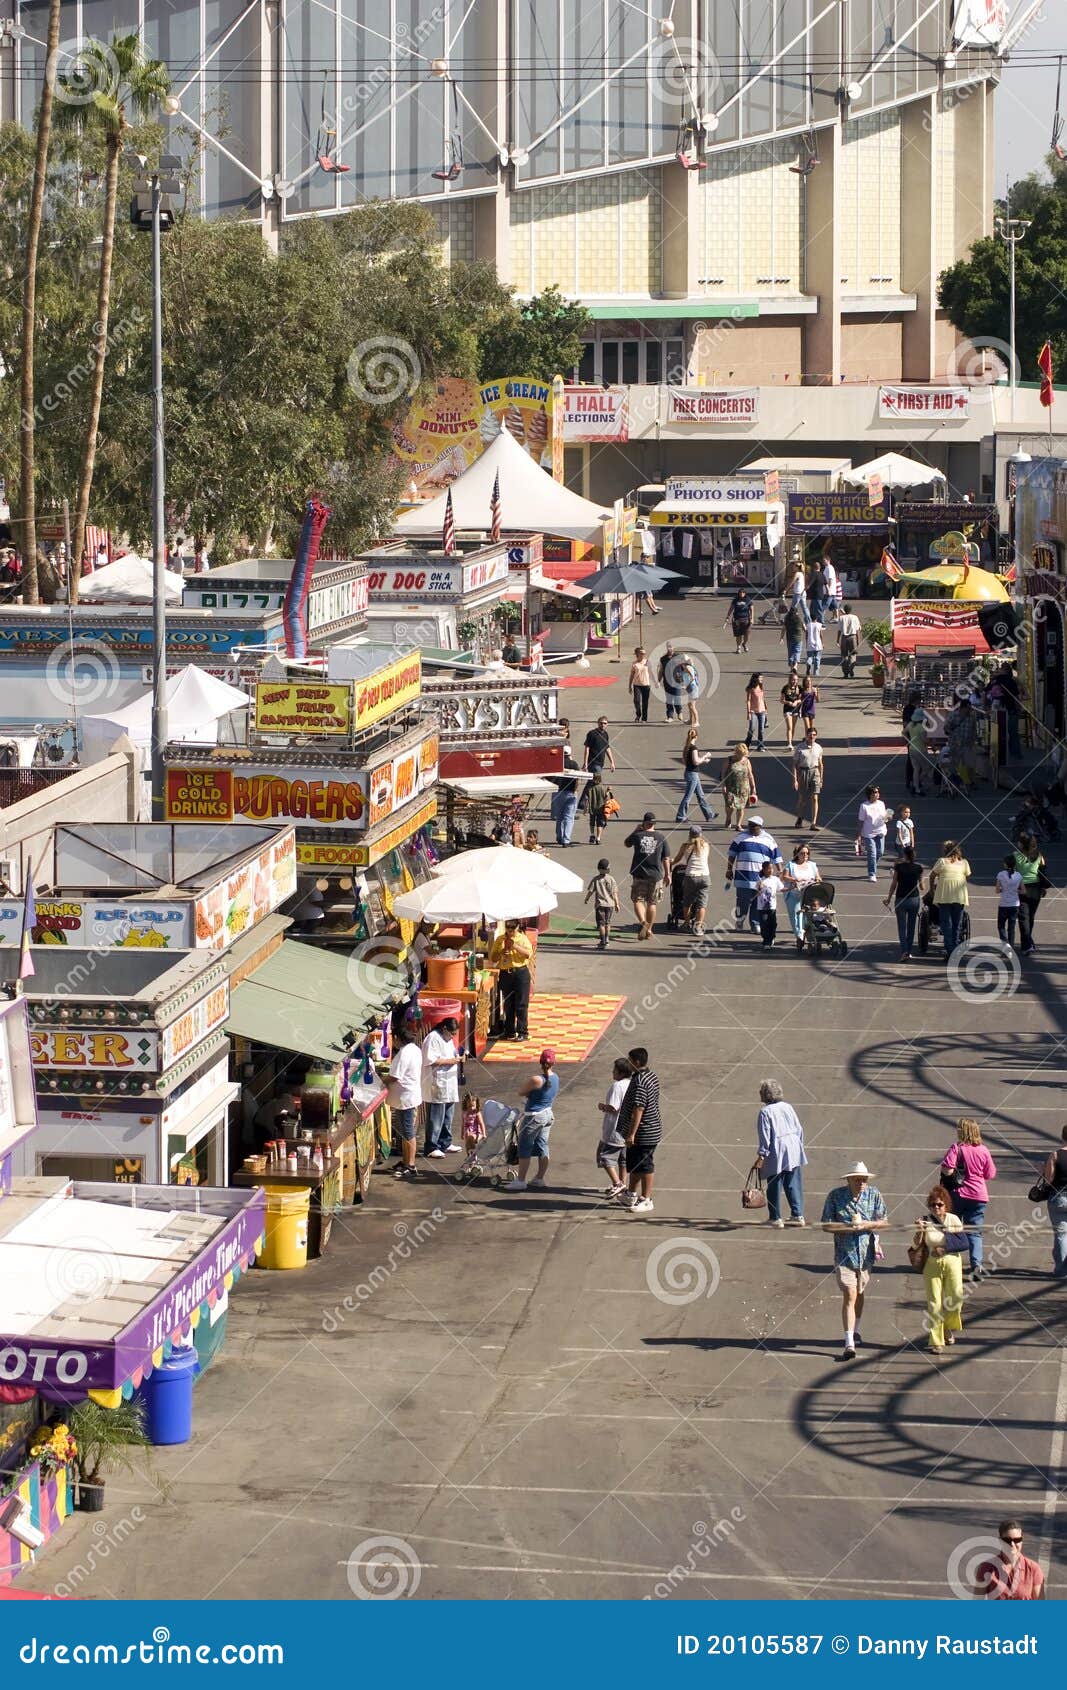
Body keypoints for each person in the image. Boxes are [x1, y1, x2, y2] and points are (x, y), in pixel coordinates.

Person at [820, 1160, 888, 1361]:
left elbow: (884, 1222)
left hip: (866, 1255)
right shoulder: (835, 1196)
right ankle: (849, 1342)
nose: (861, 1183)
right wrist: (846, 1228)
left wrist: (868, 1224)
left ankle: (855, 1329)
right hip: (844, 1255)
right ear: (849, 1180)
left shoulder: (874, 1194)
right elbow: (826, 1224)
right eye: (858, 1180)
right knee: (850, 1294)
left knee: (859, 1293)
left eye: (864, 1180)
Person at [940, 1116, 997, 1278]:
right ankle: (976, 1265)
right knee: (975, 1231)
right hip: (979, 1195)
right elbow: (990, 1173)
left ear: (961, 1132)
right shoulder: (984, 1150)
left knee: (952, 1228)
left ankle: (951, 1262)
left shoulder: (957, 1148)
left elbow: (947, 1169)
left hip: (958, 1194)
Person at [912, 1186, 965, 1355]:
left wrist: (944, 1248)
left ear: (946, 1205)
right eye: (933, 1205)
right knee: (934, 1304)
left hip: (952, 1263)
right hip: (932, 1265)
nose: (936, 1208)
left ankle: (948, 1327)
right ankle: (937, 1341)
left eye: (940, 1205)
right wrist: (920, 1231)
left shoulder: (953, 1219)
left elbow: (964, 1243)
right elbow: (915, 1245)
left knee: (956, 1299)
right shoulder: (925, 1220)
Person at [504, 1049, 560, 1192]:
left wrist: (531, 1094)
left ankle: (521, 1180)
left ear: (540, 1062)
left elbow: (521, 1092)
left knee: (524, 1147)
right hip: (547, 1114)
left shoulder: (536, 1079)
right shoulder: (556, 1078)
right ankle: (539, 1178)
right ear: (554, 1062)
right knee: (543, 1146)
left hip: (534, 1117)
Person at [755, 1079, 807, 1226]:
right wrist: (799, 1145)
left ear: (766, 1094)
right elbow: (799, 1128)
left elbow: (765, 1136)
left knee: (774, 1183)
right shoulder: (788, 1107)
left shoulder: (765, 1112)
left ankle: (775, 1217)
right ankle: (797, 1215)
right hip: (793, 1145)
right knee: (793, 1182)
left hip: (777, 1149)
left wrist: (762, 1154)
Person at [616, 1047, 661, 1213]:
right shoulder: (651, 1075)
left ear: (636, 1062)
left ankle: (646, 1199)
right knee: (634, 1164)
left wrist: (632, 1133)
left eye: (629, 1060)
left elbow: (639, 1108)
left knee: (645, 1165)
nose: (627, 1063)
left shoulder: (641, 1080)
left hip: (644, 1132)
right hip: (649, 1129)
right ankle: (631, 1194)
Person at [726, 816, 782, 934]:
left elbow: (777, 857)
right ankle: (740, 920)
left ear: (759, 827)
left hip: (761, 879)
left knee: (758, 903)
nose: (750, 827)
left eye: (753, 826)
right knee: (742, 901)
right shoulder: (740, 837)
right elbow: (732, 855)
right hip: (743, 876)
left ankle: (755, 924)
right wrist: (729, 869)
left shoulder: (769, 839)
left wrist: (780, 871)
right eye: (749, 825)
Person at [624, 812, 671, 940]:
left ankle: (643, 922)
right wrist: (668, 874)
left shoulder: (638, 836)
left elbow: (626, 843)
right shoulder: (661, 837)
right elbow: (666, 858)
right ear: (654, 823)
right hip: (656, 875)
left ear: (644, 823)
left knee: (638, 900)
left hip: (639, 874)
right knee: (652, 902)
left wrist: (635, 830)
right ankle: (649, 928)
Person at [421, 1016, 463, 1158]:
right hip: (437, 1082)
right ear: (445, 1029)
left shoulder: (448, 1039)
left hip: (449, 1082)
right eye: (452, 1033)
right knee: (436, 1116)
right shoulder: (433, 1038)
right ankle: (431, 1146)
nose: (453, 1037)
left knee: (448, 1114)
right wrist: (451, 1061)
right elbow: (431, 1060)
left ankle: (445, 1142)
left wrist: (457, 1057)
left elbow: (451, 1053)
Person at [973, 1523, 1046, 1600]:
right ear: (1000, 1541)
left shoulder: (1033, 1569)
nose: (1012, 1544)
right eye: (1007, 1540)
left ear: (1022, 1541)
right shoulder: (986, 1567)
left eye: (1017, 1540)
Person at [388, 1024, 423, 1180]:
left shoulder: (405, 1053)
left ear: (396, 1038)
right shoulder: (414, 1049)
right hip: (407, 1095)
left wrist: (380, 1082)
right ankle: (405, 1161)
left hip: (407, 1097)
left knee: (408, 1132)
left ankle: (411, 1165)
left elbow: (395, 1076)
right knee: (404, 1131)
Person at [489, 918, 534, 1040]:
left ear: (517, 927)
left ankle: (523, 1032)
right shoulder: (500, 939)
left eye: (512, 928)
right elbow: (493, 958)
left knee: (521, 1004)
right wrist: (503, 951)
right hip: (506, 973)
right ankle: (509, 1031)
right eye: (507, 927)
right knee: (508, 1004)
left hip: (520, 972)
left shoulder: (522, 938)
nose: (509, 930)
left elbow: (528, 954)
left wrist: (514, 945)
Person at [596, 1056, 634, 1196]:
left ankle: (617, 1183)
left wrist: (603, 1107)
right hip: (626, 1128)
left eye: (615, 1070)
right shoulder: (630, 1084)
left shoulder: (617, 1086)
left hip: (614, 1129)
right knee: (622, 1159)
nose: (613, 1072)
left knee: (605, 1157)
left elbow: (613, 1107)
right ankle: (623, 1183)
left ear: (621, 1072)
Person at [929, 840, 972, 956]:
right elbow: (966, 878)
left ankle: (950, 949)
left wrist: (932, 891)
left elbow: (932, 876)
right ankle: (954, 948)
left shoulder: (942, 861)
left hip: (944, 896)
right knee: (956, 925)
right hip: (959, 896)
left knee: (946, 924)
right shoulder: (964, 863)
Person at [883, 846, 925, 961]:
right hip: (914, 899)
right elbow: (922, 887)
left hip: (900, 898)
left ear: (905, 855)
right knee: (911, 927)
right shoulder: (918, 868)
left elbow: (894, 884)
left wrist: (888, 898)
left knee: (902, 928)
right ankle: (909, 951)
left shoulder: (899, 867)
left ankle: (904, 951)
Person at [1013, 834, 1046, 956]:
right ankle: (1029, 941)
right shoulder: (1038, 855)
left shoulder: (1016, 856)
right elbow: (1043, 871)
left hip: (1022, 888)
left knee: (1023, 918)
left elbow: (1011, 871)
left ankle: (1026, 945)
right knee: (1030, 916)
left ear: (1021, 844)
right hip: (1036, 888)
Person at [784, 843, 820, 947]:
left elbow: (818, 877)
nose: (805, 855)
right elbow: (784, 877)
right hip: (794, 893)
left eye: (807, 853)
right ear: (797, 854)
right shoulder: (791, 865)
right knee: (795, 916)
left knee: (807, 916)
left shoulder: (812, 865)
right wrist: (794, 879)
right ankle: (799, 936)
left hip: (808, 894)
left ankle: (807, 934)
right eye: (802, 853)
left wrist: (817, 880)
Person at [676, 727, 714, 823]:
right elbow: (696, 761)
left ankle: (709, 814)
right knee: (688, 796)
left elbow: (686, 761)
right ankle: (680, 816)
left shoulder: (686, 747)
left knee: (700, 795)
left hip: (690, 772)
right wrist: (705, 756)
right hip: (692, 774)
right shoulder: (694, 748)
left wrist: (703, 760)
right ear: (696, 736)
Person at [856, 784, 892, 883]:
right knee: (872, 853)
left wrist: (888, 817)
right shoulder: (864, 806)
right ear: (870, 794)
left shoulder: (881, 803)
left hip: (880, 831)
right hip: (869, 834)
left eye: (878, 792)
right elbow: (861, 821)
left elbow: (885, 816)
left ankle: (872, 864)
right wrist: (858, 835)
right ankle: (872, 873)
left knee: (880, 853)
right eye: (875, 792)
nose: (877, 794)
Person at [549, 734, 581, 847]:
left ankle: (559, 836)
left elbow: (551, 777)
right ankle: (566, 840)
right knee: (569, 817)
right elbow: (578, 779)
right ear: (570, 753)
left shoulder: (557, 764)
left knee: (560, 817)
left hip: (558, 792)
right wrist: (576, 790)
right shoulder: (574, 764)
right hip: (570, 792)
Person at [792, 722, 824, 829]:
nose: (812, 737)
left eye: (814, 735)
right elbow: (794, 764)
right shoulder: (800, 748)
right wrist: (795, 779)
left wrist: (821, 779)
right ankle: (800, 818)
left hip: (815, 772)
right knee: (802, 799)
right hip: (803, 772)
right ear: (806, 735)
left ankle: (814, 822)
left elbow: (820, 764)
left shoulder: (819, 748)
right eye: (810, 735)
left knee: (815, 798)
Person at [720, 743, 758, 831]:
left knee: (741, 807)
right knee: (729, 805)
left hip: (744, 788)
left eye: (744, 755)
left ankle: (738, 825)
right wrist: (723, 785)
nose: (742, 756)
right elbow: (723, 773)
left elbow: (750, 774)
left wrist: (753, 787)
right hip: (730, 787)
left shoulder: (747, 761)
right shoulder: (729, 760)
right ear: (736, 753)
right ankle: (728, 818)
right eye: (741, 754)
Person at [585, 856, 620, 949]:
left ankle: (602, 940)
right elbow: (614, 893)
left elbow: (591, 891)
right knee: (607, 923)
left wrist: (587, 898)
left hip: (600, 905)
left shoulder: (595, 879)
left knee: (601, 924)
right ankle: (607, 939)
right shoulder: (611, 879)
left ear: (599, 869)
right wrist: (617, 904)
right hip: (610, 904)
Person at [996, 852, 1023, 949]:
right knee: (1011, 928)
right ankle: (1010, 946)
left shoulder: (1000, 874)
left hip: (1003, 904)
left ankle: (1005, 945)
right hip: (1015, 904)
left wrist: (1004, 889)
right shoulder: (1019, 875)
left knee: (1001, 926)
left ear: (1006, 864)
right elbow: (1023, 890)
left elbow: (997, 890)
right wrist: (1016, 890)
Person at [755, 859, 784, 949]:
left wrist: (791, 888)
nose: (771, 870)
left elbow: (782, 889)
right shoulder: (760, 879)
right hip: (762, 908)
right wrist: (759, 887)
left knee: (773, 924)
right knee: (764, 924)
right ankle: (766, 941)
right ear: (763, 870)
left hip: (772, 907)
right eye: (768, 868)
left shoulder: (775, 879)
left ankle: (771, 938)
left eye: (771, 868)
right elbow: (757, 892)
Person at [904, 708, 932, 797]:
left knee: (916, 769)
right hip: (921, 750)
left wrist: (909, 741)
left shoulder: (910, 724)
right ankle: (918, 783)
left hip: (912, 749)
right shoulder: (922, 727)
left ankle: (916, 787)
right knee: (927, 768)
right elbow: (925, 740)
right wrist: (932, 745)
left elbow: (903, 732)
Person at [901, 689, 923, 793]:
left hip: (912, 736)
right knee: (914, 760)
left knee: (913, 760)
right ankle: (912, 780)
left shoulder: (908, 708)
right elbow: (906, 723)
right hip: (913, 736)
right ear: (917, 700)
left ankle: (913, 780)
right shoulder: (911, 709)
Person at [781, 596, 808, 669]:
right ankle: (795, 666)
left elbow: (783, 629)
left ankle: (791, 666)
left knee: (790, 652)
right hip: (798, 639)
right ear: (796, 612)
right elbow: (804, 628)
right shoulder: (799, 619)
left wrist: (781, 638)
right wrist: (807, 635)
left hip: (789, 638)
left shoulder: (787, 618)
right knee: (797, 652)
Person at [659, 643, 684, 721]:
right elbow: (661, 670)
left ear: (674, 647)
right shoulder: (663, 659)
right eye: (668, 647)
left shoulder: (679, 656)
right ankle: (670, 716)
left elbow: (685, 668)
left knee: (677, 698)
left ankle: (679, 712)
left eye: (671, 647)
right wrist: (658, 681)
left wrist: (685, 681)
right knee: (669, 699)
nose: (670, 648)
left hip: (677, 681)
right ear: (666, 648)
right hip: (667, 682)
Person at [585, 771, 611, 845]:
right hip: (601, 809)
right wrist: (608, 791)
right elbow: (606, 798)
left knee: (592, 822)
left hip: (592, 809)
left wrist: (585, 809)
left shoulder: (590, 788)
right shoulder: (602, 788)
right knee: (600, 824)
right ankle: (598, 838)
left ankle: (592, 835)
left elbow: (586, 799)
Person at [780, 667, 803, 748]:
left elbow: (801, 699)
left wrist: (796, 701)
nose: (794, 681)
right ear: (790, 679)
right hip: (787, 710)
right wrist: (788, 702)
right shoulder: (785, 688)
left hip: (795, 710)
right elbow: (781, 700)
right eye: (793, 680)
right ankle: (789, 743)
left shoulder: (799, 688)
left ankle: (791, 742)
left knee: (793, 727)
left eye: (796, 680)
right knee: (789, 727)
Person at [724, 588, 752, 653]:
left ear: (745, 593)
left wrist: (752, 618)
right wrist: (727, 617)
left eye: (743, 593)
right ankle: (738, 647)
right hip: (737, 619)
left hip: (746, 619)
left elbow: (752, 609)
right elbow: (731, 609)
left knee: (746, 634)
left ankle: (744, 644)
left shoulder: (748, 600)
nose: (741, 594)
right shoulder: (735, 600)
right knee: (738, 635)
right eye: (740, 593)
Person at [837, 602, 862, 676]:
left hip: (844, 637)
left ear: (844, 610)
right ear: (851, 610)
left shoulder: (841, 618)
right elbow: (857, 630)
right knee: (853, 654)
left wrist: (837, 640)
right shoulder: (855, 617)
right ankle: (851, 667)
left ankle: (845, 672)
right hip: (852, 637)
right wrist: (858, 640)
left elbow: (839, 630)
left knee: (844, 655)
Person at [744, 672, 767, 751]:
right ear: (755, 678)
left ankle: (760, 746)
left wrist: (766, 709)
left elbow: (763, 699)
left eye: (762, 678)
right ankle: (747, 743)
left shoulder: (761, 687)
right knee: (752, 729)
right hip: (753, 711)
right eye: (760, 678)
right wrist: (749, 713)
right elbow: (748, 701)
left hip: (762, 711)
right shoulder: (751, 689)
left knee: (761, 730)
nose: (762, 679)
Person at [629, 647, 652, 722]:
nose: (643, 655)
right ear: (637, 654)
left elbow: (651, 672)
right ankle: (638, 714)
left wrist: (656, 682)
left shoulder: (647, 662)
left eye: (644, 653)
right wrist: (629, 686)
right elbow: (632, 675)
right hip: (637, 685)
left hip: (646, 685)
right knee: (636, 701)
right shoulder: (634, 664)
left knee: (645, 702)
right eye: (642, 653)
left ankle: (644, 718)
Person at [461, 1092, 486, 1159]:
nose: (471, 1108)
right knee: (467, 1144)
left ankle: (474, 1155)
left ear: (476, 1104)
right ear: (465, 1105)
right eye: (469, 1106)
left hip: (476, 1132)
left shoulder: (477, 1113)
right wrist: (462, 1133)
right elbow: (463, 1123)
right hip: (467, 1132)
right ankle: (469, 1156)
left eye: (473, 1106)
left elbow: (481, 1123)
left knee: (470, 1137)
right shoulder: (464, 1113)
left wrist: (484, 1134)